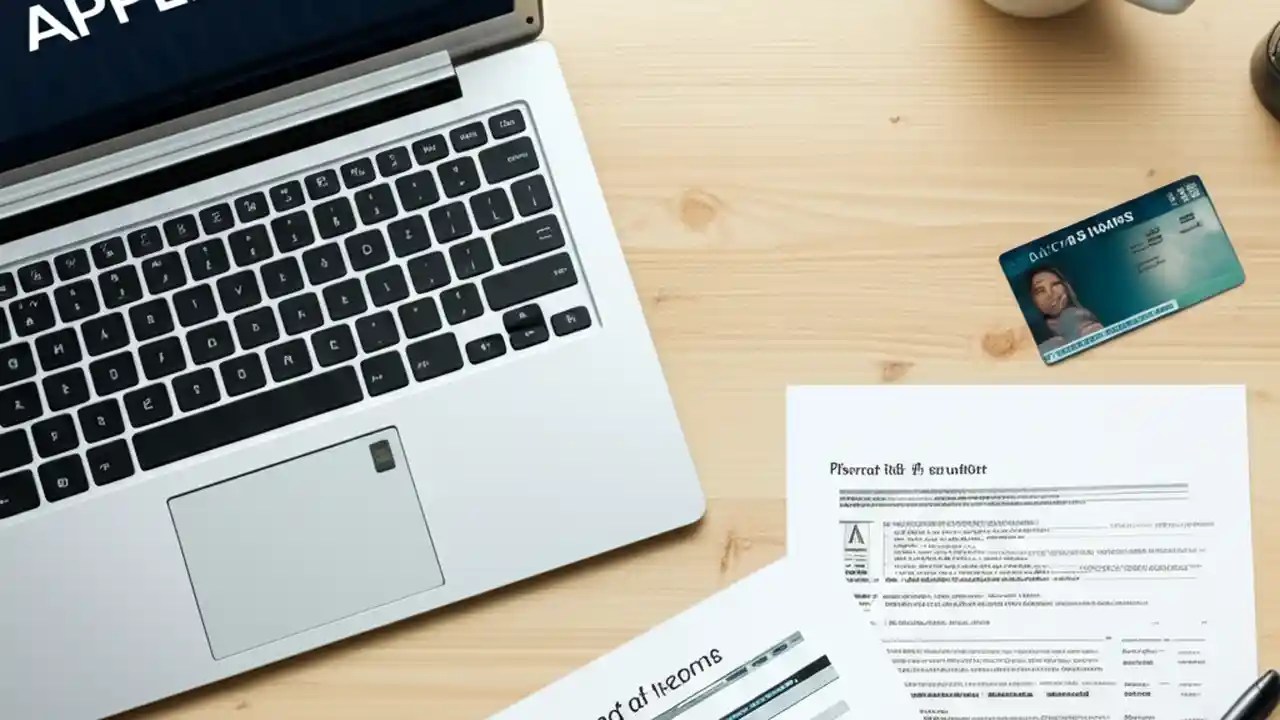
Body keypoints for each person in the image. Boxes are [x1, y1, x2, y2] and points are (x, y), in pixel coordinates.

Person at [1026, 267, 1104, 353]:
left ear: (1066, 287)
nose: (1050, 293)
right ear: (1033, 300)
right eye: (1040, 290)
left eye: (1055, 284)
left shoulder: (1076, 316)